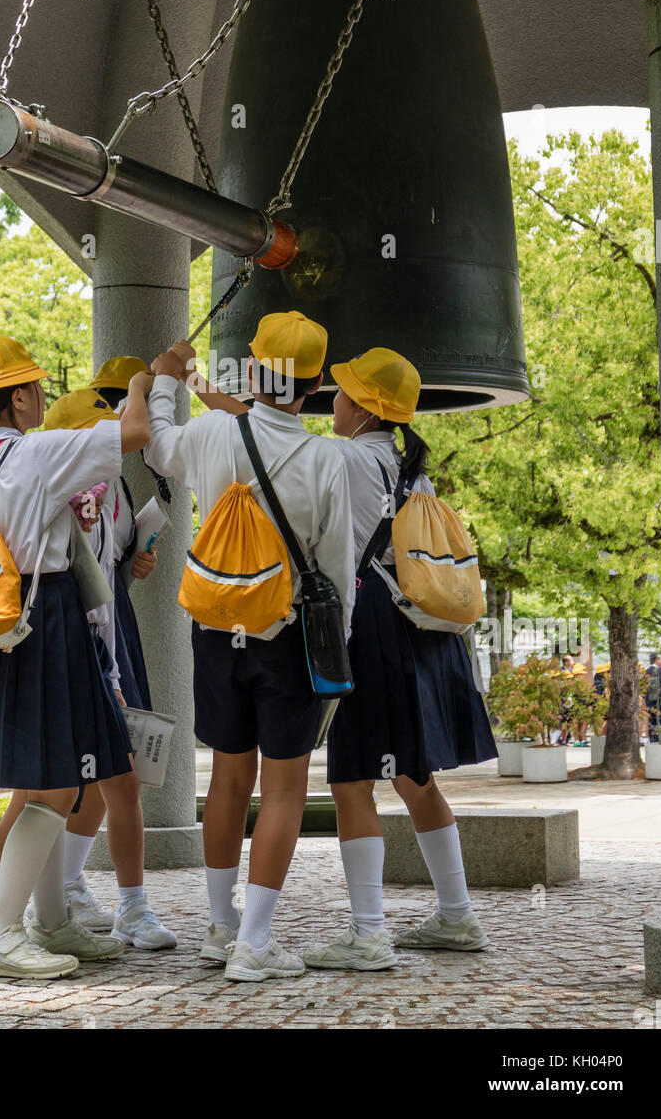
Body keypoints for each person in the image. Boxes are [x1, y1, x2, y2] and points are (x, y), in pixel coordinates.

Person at [173, 340, 496, 967]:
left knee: (352, 782)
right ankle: (457, 915)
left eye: (345, 393)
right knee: (414, 777)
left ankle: (369, 933)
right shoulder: (409, 469)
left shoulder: (342, 460)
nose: (334, 400)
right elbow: (251, 420)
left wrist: (191, 380)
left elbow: (251, 427)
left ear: (367, 410)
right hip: (420, 633)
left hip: (369, 633)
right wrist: (202, 384)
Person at [144, 312, 355, 984]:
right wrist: (335, 644)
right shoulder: (327, 458)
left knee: (227, 778)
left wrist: (163, 380)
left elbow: (156, 447)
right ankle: (256, 943)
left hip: (214, 633)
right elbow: (337, 570)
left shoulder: (211, 433)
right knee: (285, 788)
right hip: (286, 638)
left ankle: (219, 926)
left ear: (255, 370)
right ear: (316, 383)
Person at [0, 333, 153, 980]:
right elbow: (137, 428)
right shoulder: (33, 454)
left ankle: (50, 920)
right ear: (17, 398)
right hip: (48, 622)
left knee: (49, 777)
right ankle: (1, 934)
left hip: (14, 624)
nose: (43, 394)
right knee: (58, 782)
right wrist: (153, 377)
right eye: (34, 386)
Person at [35, 383, 175, 950]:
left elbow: (110, 574)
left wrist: (136, 560)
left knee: (115, 778)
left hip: (103, 649)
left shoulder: (109, 490)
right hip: (74, 651)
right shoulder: (51, 490)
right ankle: (25, 912)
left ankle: (94, 899)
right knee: (62, 787)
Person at [646, 654, 661, 743]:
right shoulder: (660, 671)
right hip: (660, 702)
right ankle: (659, 741)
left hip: (649, 702)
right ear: (656, 659)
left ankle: (652, 740)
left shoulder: (646, 671)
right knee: (660, 722)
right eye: (660, 659)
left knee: (651, 722)